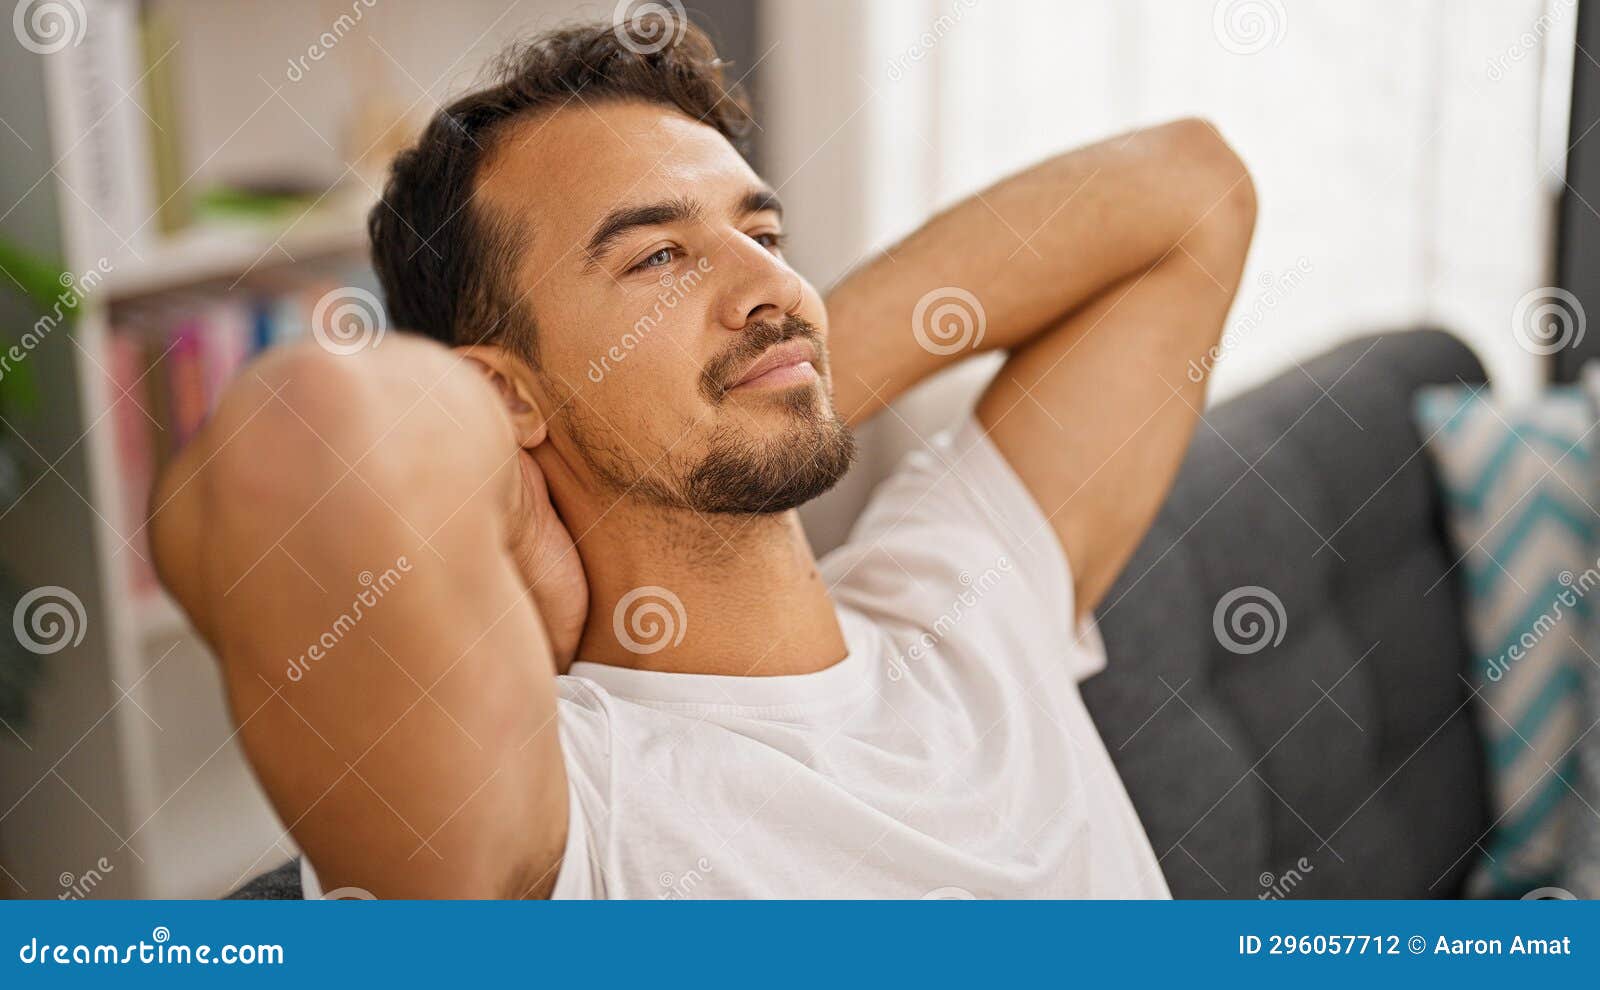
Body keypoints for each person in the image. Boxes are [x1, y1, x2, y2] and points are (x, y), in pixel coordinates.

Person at [151, 18, 1255, 899]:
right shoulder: (565, 810)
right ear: (504, 393)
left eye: (764, 236)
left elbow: (1192, 186)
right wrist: (521, 523)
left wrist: (768, 372)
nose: (775, 285)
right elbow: (300, 436)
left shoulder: (960, 603)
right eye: (658, 258)